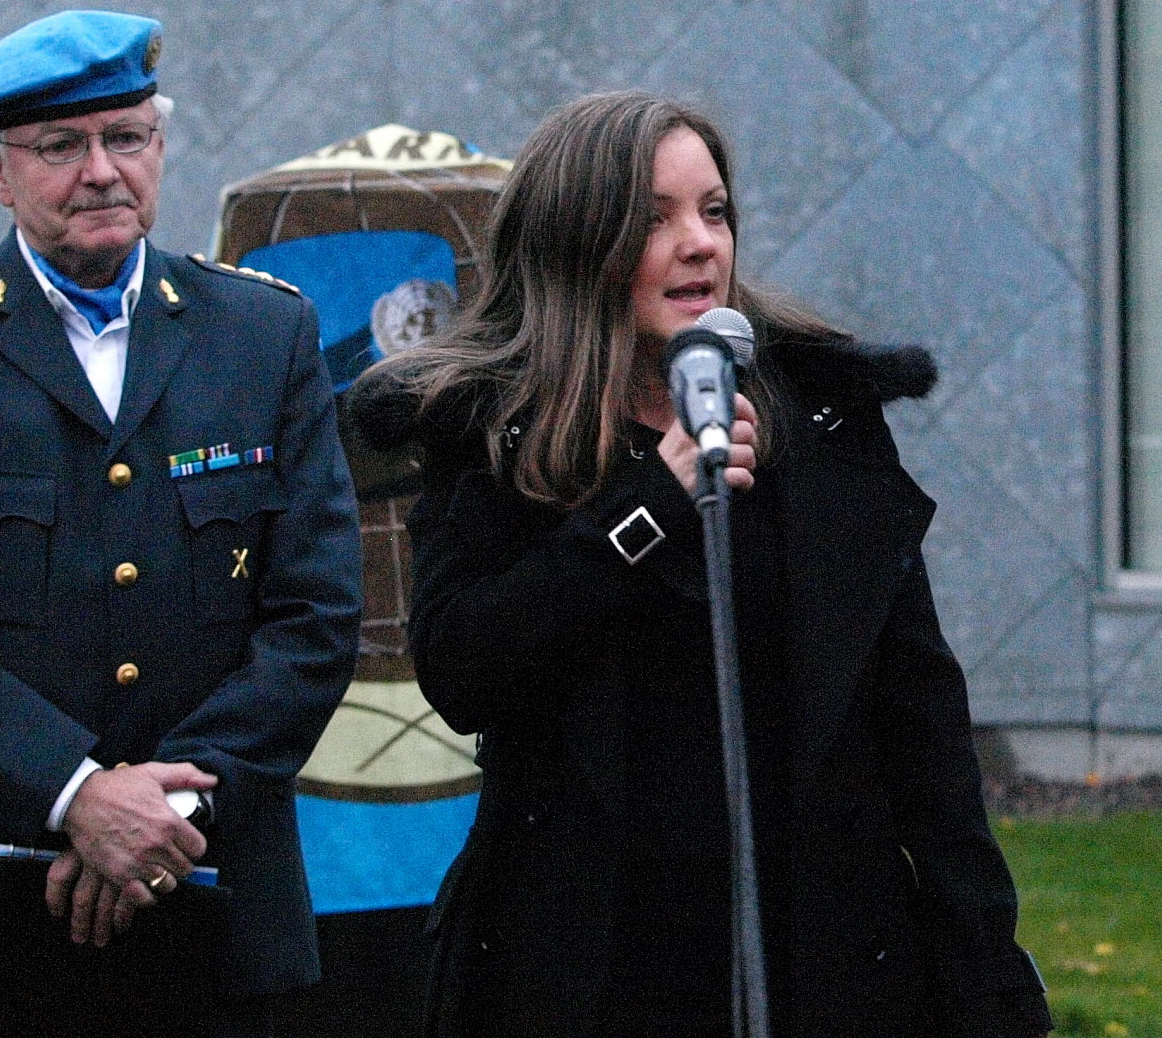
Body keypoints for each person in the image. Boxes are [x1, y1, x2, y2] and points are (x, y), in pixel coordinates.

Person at [348, 91, 1052, 1037]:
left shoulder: (822, 418)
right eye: (654, 219)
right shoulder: (496, 435)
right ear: (574, 245)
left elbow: (920, 722)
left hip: (822, 954)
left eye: (714, 211)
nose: (700, 243)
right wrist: (652, 507)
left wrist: (985, 969)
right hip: (585, 965)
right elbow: (467, 669)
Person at [0, 10, 361, 1036]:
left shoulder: (266, 333)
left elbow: (316, 617)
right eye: (61, 147)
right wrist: (77, 795)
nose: (102, 171)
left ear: (161, 146)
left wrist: (167, 816)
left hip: (214, 880)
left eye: (127, 136)